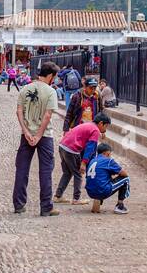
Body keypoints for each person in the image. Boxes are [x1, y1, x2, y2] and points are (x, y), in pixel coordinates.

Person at [13, 62, 59, 217]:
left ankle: (19, 204)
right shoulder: (51, 92)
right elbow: (47, 115)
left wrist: (26, 131)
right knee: (46, 170)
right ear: (51, 76)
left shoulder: (25, 89)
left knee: (22, 169)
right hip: (44, 135)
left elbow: (19, 111)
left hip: (26, 135)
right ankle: (46, 207)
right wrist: (39, 134)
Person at [55, 113, 110, 205]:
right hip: (71, 149)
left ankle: (58, 196)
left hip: (62, 146)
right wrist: (84, 163)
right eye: (106, 126)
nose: (105, 129)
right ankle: (76, 199)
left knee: (67, 173)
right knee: (78, 174)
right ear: (101, 123)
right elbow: (90, 148)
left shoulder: (88, 125)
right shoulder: (95, 130)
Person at [85, 143, 129, 214]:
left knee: (103, 178)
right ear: (107, 153)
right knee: (126, 179)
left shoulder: (92, 160)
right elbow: (124, 174)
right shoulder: (109, 161)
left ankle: (99, 199)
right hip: (102, 191)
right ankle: (119, 206)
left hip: (90, 192)